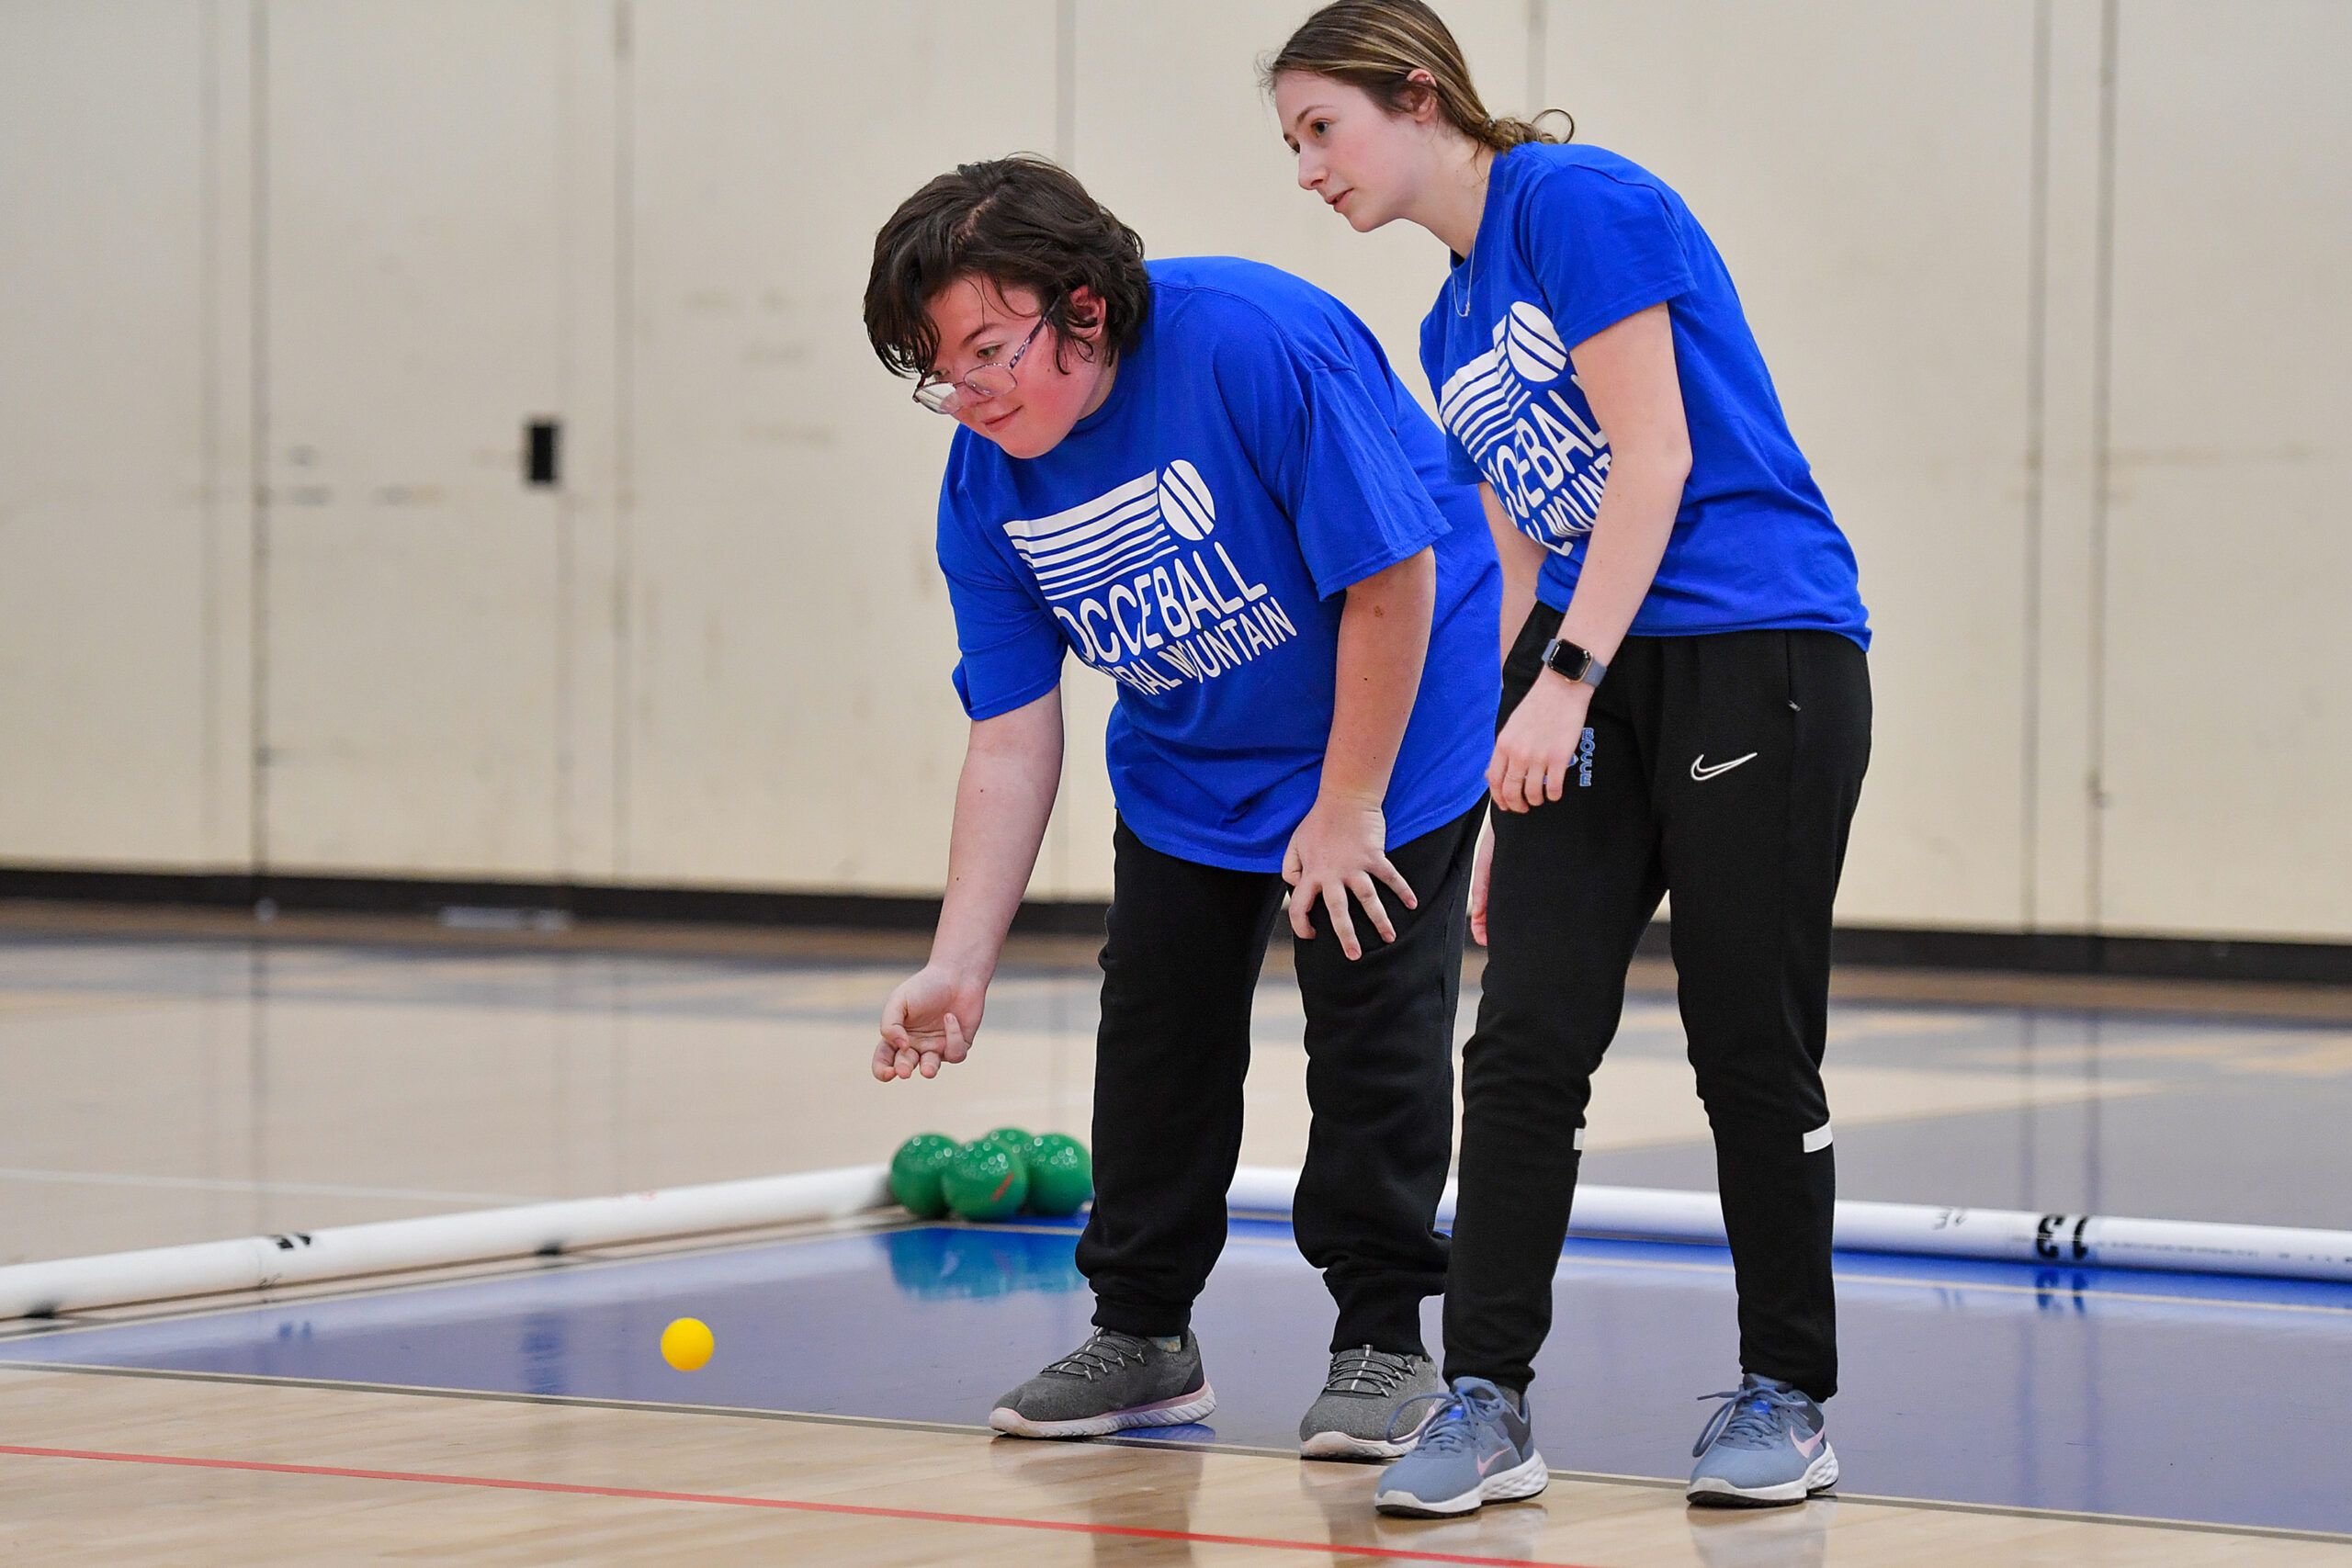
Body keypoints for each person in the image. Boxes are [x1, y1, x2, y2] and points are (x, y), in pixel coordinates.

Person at [1267, 0, 1872, 1514]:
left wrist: (1569, 681)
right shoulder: (1446, 316)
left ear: (1417, 98)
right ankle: (1486, 1399)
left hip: (1756, 648)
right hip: (1585, 676)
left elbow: (1654, 459)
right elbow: (1524, 545)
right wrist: (1497, 761)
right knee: (1525, 1043)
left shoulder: (1578, 204)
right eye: (1290, 146)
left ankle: (1787, 1391)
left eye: (1319, 130)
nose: (1305, 170)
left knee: (1748, 1040)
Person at [862, 156, 1502, 1457]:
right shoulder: (987, 484)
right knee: (1157, 1037)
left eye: (990, 352)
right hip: (1192, 762)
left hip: (1397, 716)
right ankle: (1143, 1334)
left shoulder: (1255, 344)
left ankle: (1384, 1340)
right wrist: (957, 960)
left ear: (1086, 308)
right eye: (944, 374)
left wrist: (1349, 803)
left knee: (1374, 1029)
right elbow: (1010, 730)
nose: (970, 398)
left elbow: (1395, 579)